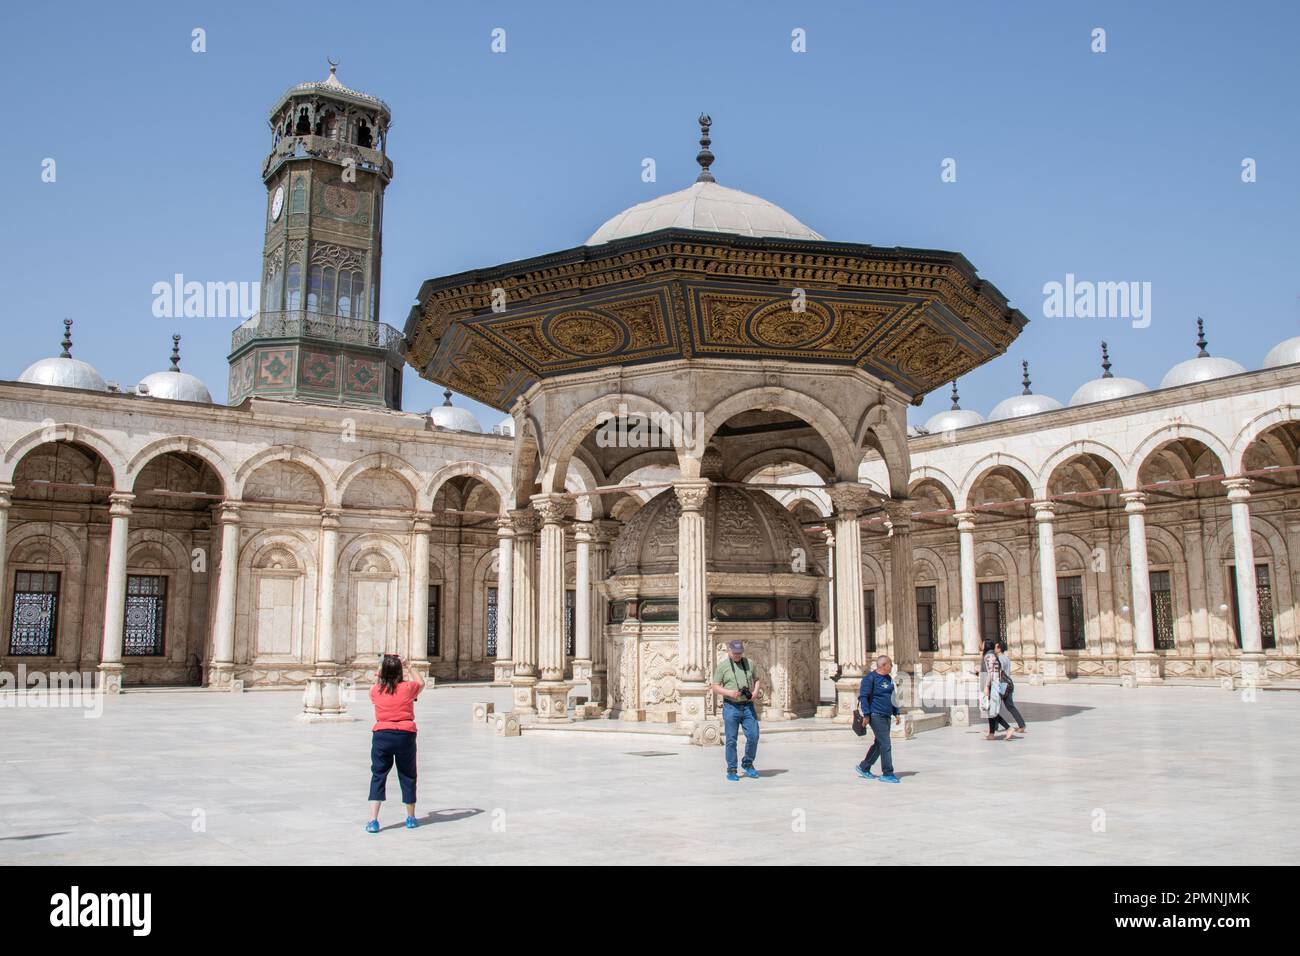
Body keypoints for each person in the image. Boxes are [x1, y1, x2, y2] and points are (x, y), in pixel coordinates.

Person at [366, 654, 425, 832]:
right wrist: (409, 665)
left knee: (378, 775)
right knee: (408, 775)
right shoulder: (408, 688)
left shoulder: (376, 691)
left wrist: (381, 668)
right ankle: (411, 818)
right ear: (400, 671)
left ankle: (373, 821)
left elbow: (377, 683)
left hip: (382, 735)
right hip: (405, 735)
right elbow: (421, 683)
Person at [709, 639, 763, 781]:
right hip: (731, 706)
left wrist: (755, 692)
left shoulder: (749, 663)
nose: (737, 655)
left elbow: (757, 679)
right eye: (735, 653)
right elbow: (714, 686)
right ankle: (732, 769)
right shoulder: (722, 667)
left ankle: (748, 763)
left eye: (740, 653)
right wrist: (729, 693)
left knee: (754, 735)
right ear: (729, 651)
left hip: (747, 706)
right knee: (731, 740)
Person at [855, 655, 901, 783]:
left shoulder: (888, 678)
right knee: (886, 743)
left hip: (886, 715)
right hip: (876, 715)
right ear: (883, 665)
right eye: (890, 664)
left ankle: (864, 767)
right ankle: (887, 773)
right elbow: (863, 697)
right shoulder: (870, 679)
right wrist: (866, 715)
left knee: (879, 743)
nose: (891, 666)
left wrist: (896, 712)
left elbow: (892, 697)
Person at [994, 640, 1026, 733]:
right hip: (1009, 684)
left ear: (999, 648)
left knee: (995, 707)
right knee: (1010, 706)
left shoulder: (999, 659)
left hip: (1002, 685)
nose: (994, 649)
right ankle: (1022, 725)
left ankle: (994, 728)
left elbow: (999, 673)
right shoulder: (1006, 658)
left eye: (996, 647)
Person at [983, 658, 1015, 740]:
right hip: (997, 689)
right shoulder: (995, 659)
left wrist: (986, 687)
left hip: (994, 690)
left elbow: (991, 674)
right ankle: (991, 734)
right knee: (991, 712)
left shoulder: (992, 659)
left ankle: (1008, 728)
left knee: (992, 712)